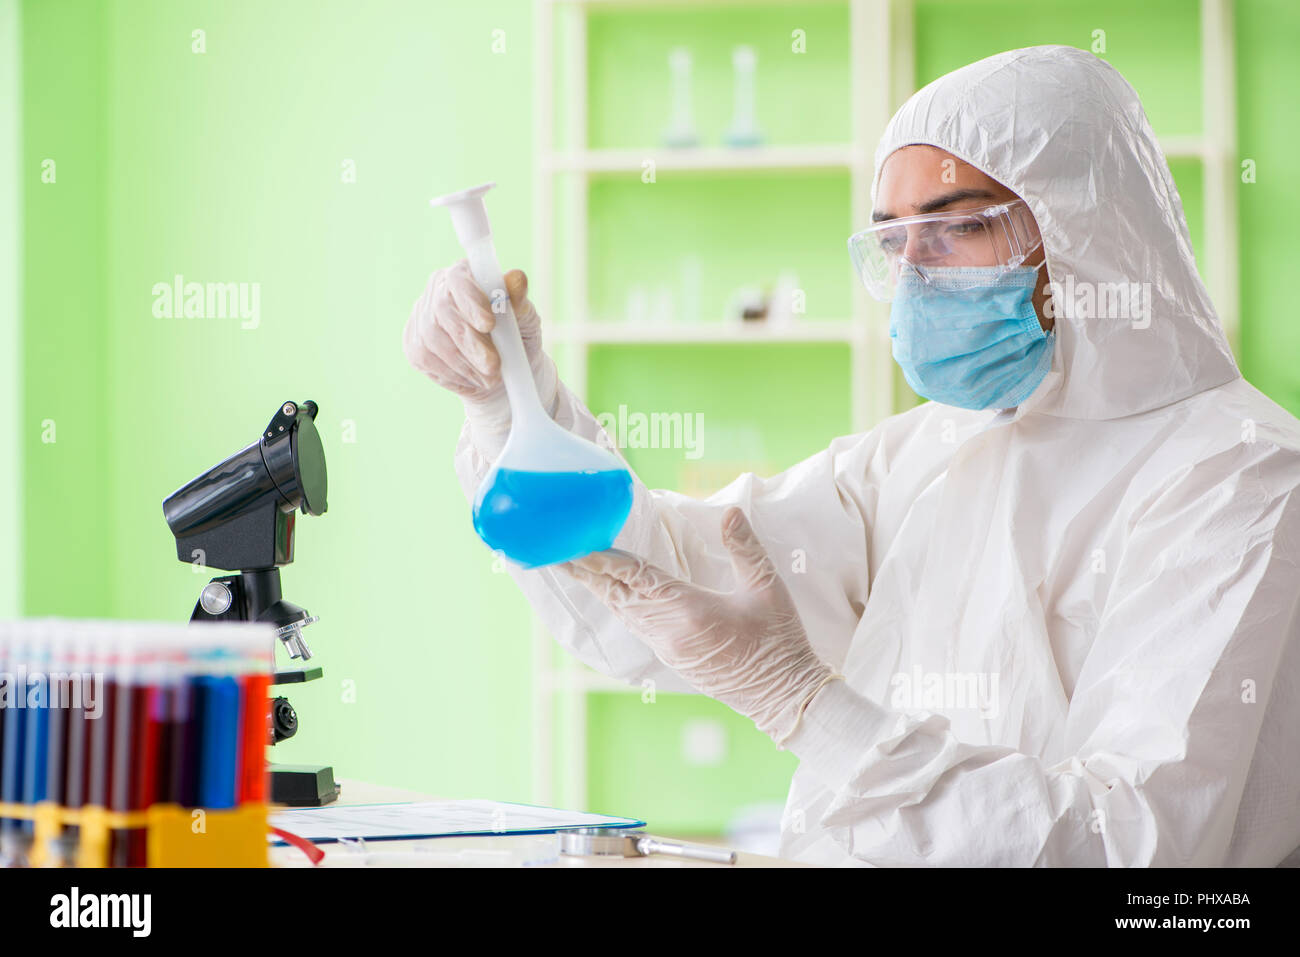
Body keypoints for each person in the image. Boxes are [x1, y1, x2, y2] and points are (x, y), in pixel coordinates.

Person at [403, 46, 1300, 866]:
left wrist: (805, 704)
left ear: (1084, 233)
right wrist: (506, 398)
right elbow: (674, 579)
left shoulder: (1238, 476)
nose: (912, 272)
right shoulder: (935, 449)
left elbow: (1140, 855)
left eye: (953, 227)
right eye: (891, 239)